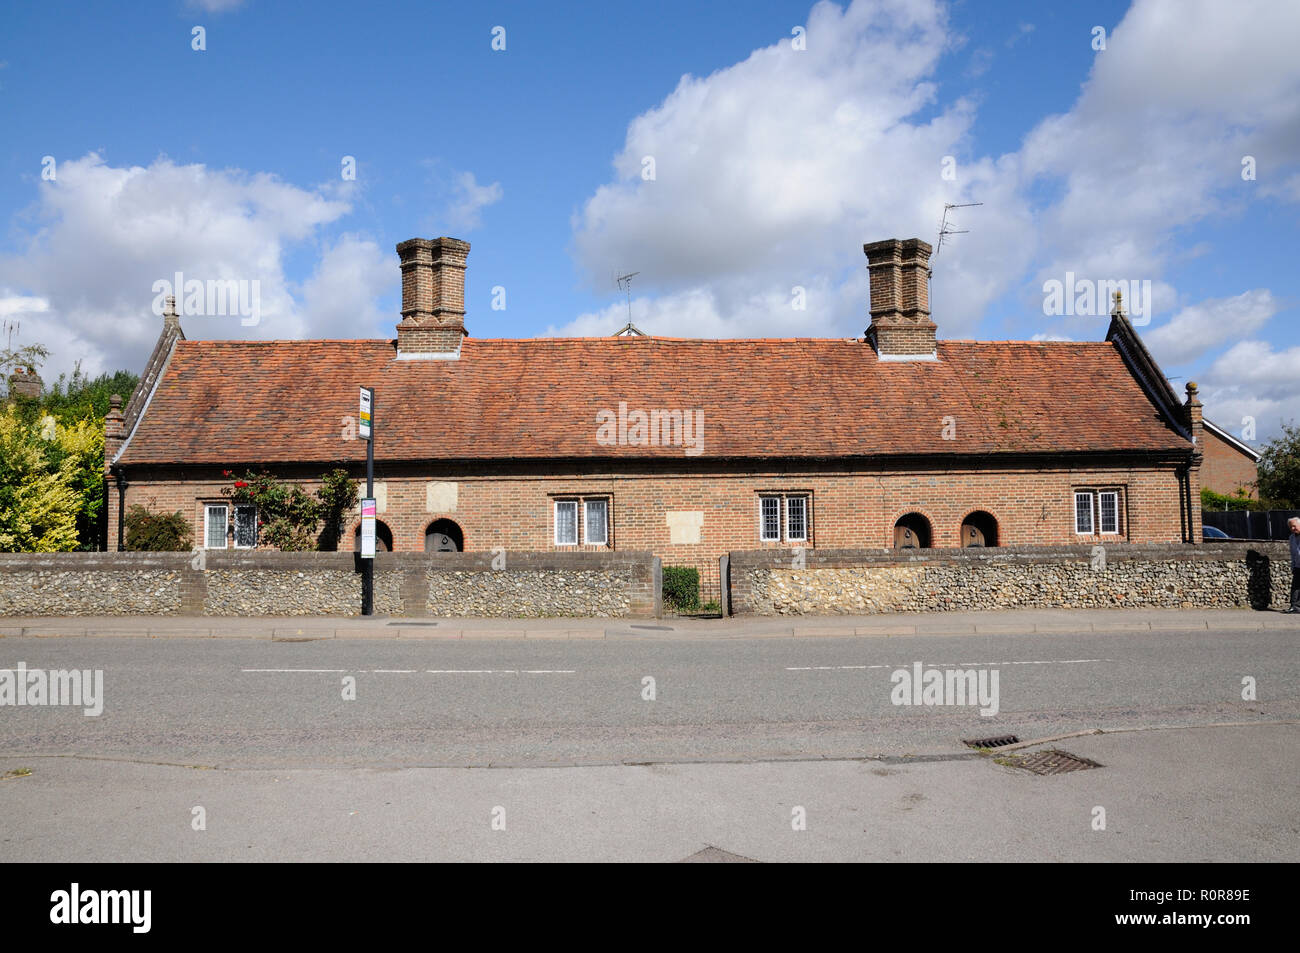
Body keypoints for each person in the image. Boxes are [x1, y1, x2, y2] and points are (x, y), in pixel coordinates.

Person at [1289, 517, 1300, 614]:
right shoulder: (1292, 537)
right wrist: (1293, 566)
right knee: (1295, 587)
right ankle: (1294, 606)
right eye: (1291, 527)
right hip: (1297, 566)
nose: (1292, 528)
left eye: (1294, 526)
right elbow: (1293, 553)